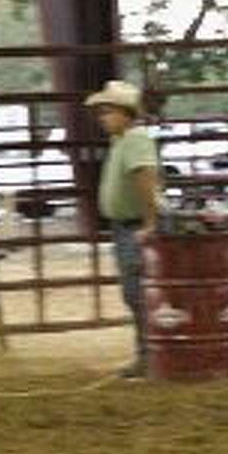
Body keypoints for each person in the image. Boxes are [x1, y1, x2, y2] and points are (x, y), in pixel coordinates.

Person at [85, 79, 161, 379]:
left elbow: (145, 178)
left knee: (138, 291)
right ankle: (147, 353)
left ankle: (150, 355)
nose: (103, 116)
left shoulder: (134, 140)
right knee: (135, 292)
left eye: (108, 110)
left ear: (125, 112)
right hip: (125, 226)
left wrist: (150, 223)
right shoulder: (123, 141)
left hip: (133, 226)